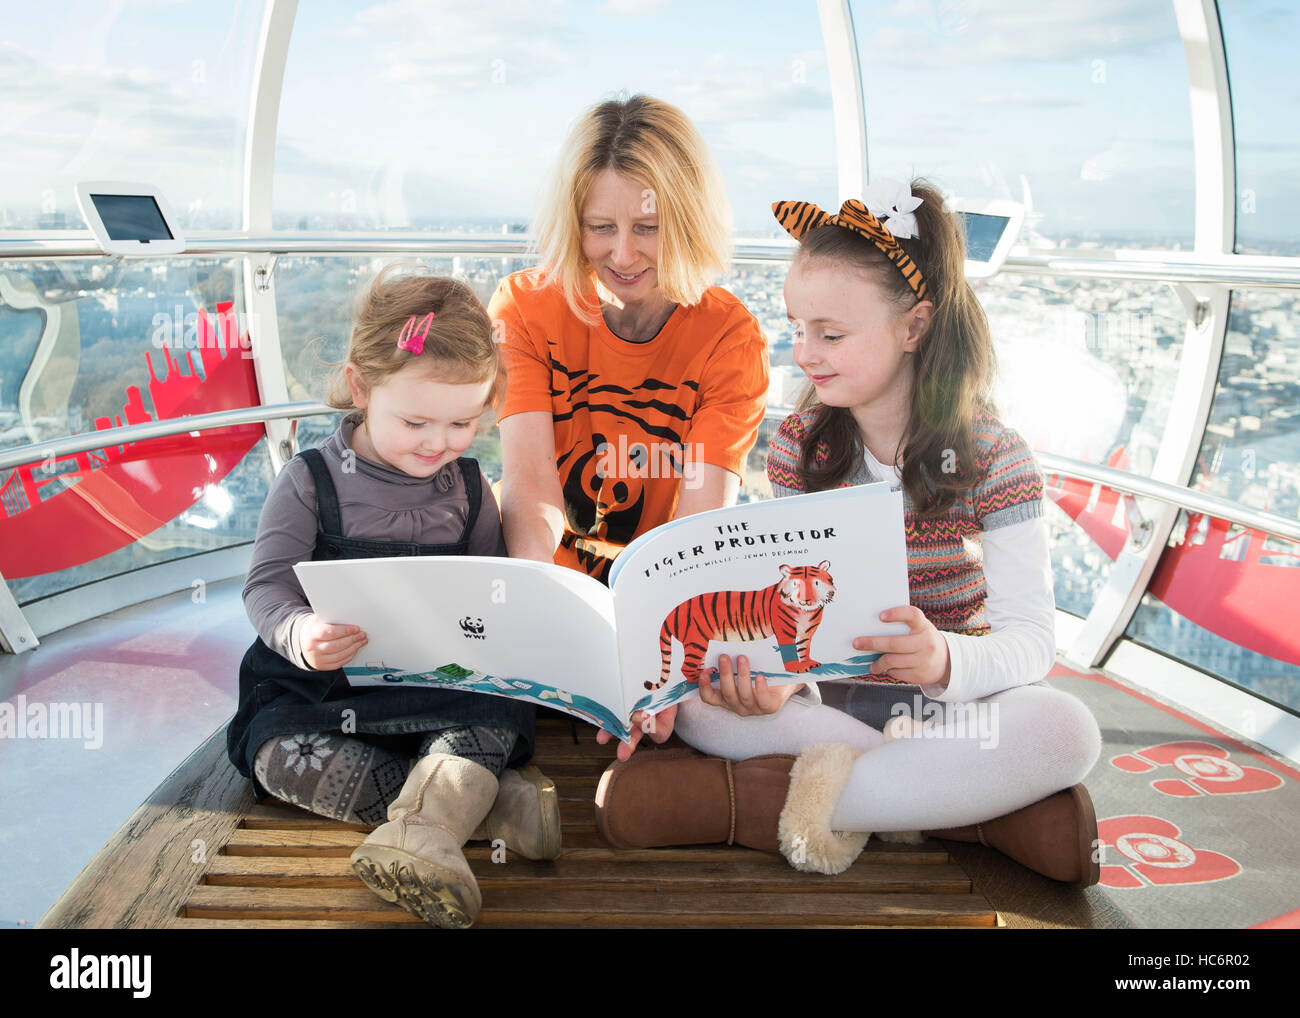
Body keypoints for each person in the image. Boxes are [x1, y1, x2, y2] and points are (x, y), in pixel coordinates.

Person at [593, 179, 1104, 887]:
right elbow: (789, 625)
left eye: (830, 335)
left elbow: (1032, 642)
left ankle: (758, 806)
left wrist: (945, 660)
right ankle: (970, 813)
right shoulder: (799, 447)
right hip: (831, 705)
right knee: (700, 706)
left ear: (914, 328)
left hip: (950, 706)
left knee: (1066, 728)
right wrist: (773, 683)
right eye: (796, 328)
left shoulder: (996, 457)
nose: (804, 353)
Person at [226, 266, 560, 929]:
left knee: (496, 715)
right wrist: (300, 634)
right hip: (325, 690)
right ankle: (474, 811)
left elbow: (491, 591)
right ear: (360, 388)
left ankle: (432, 822)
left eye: (463, 422)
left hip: (439, 686)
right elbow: (266, 585)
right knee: (273, 754)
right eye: (415, 422)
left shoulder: (469, 489)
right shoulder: (309, 482)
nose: (439, 444)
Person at [489, 93, 769, 754]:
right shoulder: (524, 309)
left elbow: (699, 531)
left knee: (724, 705)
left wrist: (653, 665)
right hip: (547, 579)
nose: (622, 253)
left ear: (688, 220)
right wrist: (549, 620)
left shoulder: (729, 337)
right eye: (599, 227)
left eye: (648, 227)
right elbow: (530, 487)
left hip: (659, 599)